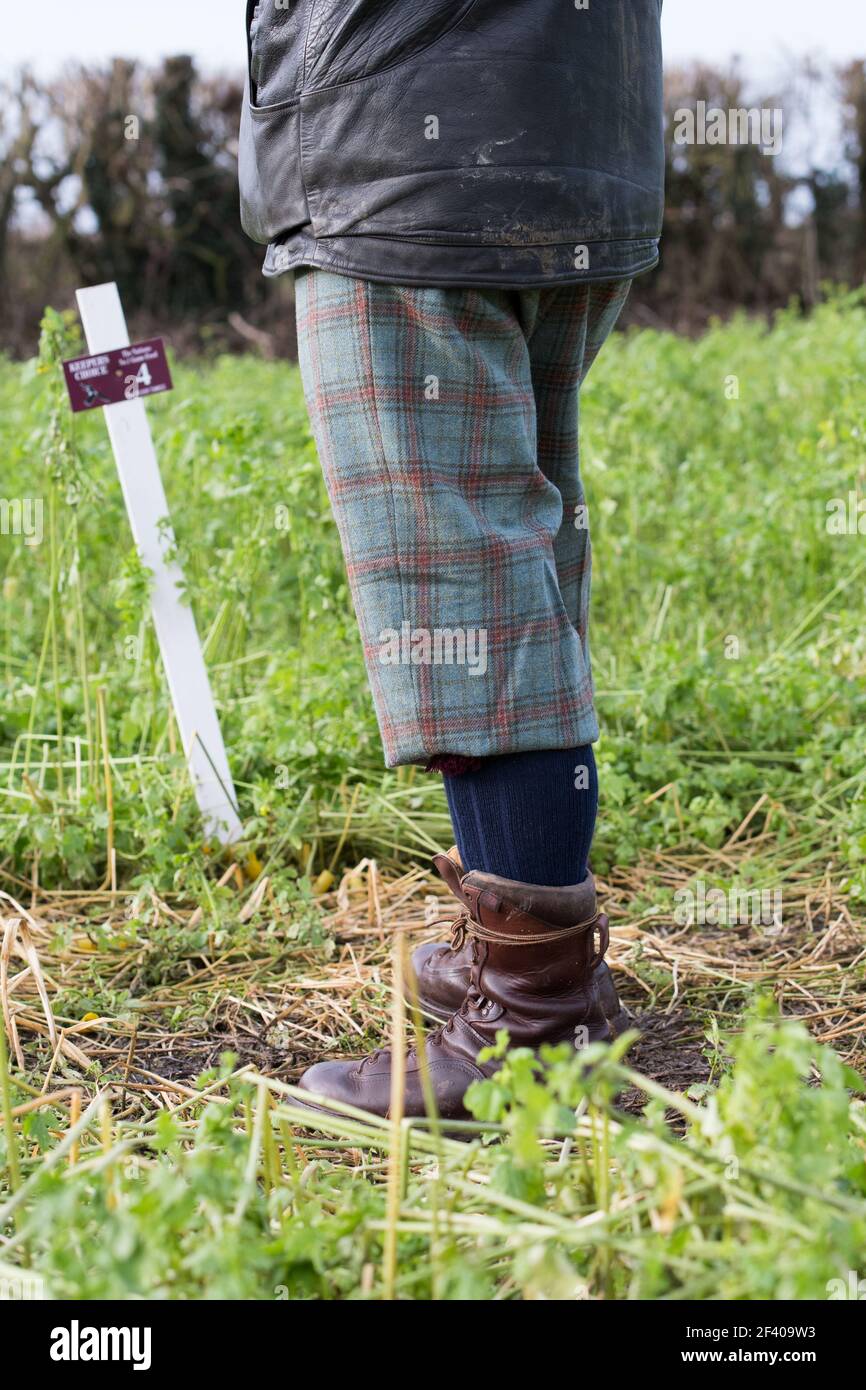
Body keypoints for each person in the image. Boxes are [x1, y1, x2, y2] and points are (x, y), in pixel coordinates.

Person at [239, 0, 665, 1120]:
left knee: (453, 578)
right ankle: (523, 957)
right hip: (579, 131)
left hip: (404, 157)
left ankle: (537, 1019)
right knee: (523, 546)